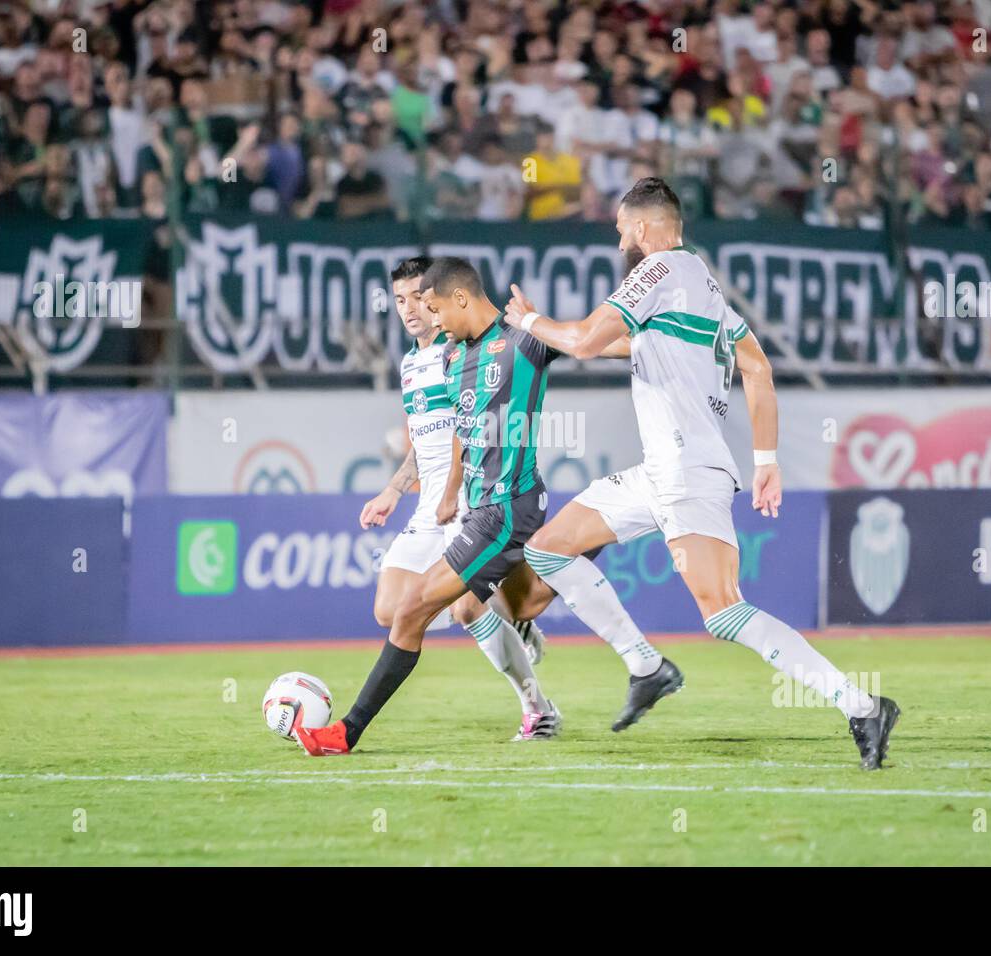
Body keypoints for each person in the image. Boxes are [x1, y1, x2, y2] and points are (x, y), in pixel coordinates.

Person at [503, 177, 900, 769]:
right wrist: (766, 461)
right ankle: (645, 665)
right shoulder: (704, 288)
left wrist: (533, 323)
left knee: (721, 610)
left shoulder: (659, 271)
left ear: (642, 228)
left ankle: (862, 705)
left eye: (620, 230)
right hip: (661, 471)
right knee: (549, 550)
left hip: (687, 468)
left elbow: (587, 341)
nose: (618, 243)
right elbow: (756, 368)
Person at [296, 257, 608, 755]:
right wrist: (395, 490)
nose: (411, 310)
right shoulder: (410, 363)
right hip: (428, 508)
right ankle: (511, 614)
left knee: (463, 608)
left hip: (469, 501)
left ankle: (536, 705)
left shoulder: (464, 346)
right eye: (399, 300)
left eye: (419, 298)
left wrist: (451, 491)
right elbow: (425, 440)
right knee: (390, 609)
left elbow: (476, 426)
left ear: (439, 297)